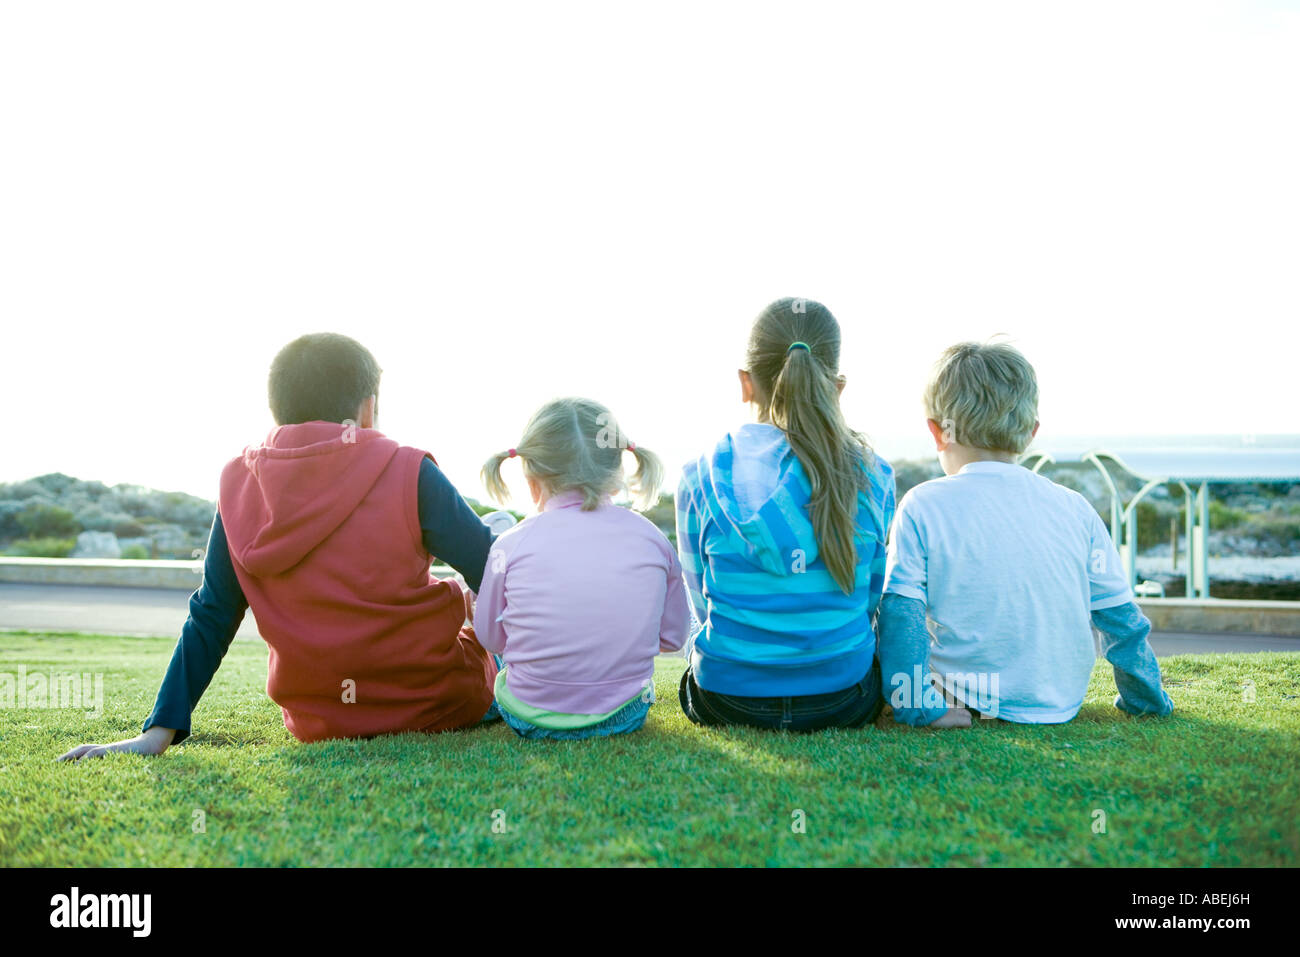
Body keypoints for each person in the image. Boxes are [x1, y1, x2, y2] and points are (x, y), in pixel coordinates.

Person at [59, 333, 498, 759]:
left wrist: (157, 732)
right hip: (438, 702)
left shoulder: (240, 484)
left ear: (277, 409)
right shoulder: (409, 470)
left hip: (320, 722)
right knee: (488, 592)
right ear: (368, 409)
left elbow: (212, 613)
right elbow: (494, 570)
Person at [674, 298, 950, 730]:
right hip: (841, 698)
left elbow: (701, 600)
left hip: (727, 700)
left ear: (746, 383)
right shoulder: (873, 474)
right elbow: (870, 599)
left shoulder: (699, 476)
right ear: (836, 387)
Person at [877, 340, 1175, 726]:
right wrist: (1146, 699)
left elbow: (903, 614)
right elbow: (1120, 620)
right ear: (1031, 432)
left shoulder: (923, 504)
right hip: (1061, 703)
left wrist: (917, 706)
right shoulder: (1076, 508)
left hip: (962, 698)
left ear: (937, 432)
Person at [474, 397, 689, 740]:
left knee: (499, 666)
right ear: (617, 472)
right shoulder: (653, 539)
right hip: (625, 714)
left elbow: (490, 638)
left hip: (529, 717)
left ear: (531, 479)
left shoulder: (509, 545)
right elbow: (673, 637)